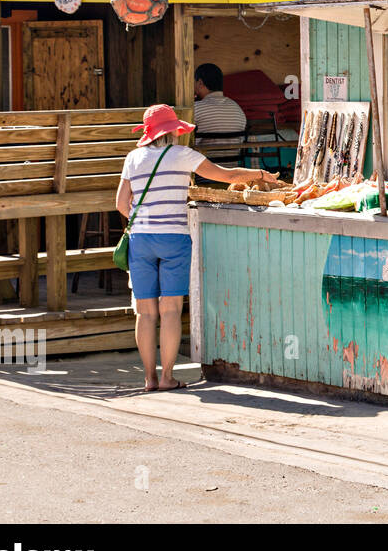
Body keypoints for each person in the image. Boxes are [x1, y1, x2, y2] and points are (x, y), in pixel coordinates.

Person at [116, 104, 279, 392]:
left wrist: (144, 221)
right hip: (174, 239)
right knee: (170, 310)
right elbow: (226, 176)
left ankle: (149, 379)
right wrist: (261, 176)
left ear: (148, 133)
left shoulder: (133, 157)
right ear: (173, 132)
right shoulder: (183, 155)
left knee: (145, 312)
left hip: (140, 239)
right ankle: (167, 377)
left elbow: (120, 203)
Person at [193, 62, 247, 147]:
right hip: (233, 160)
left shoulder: (196, 108)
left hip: (206, 160)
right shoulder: (237, 109)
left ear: (200, 83)